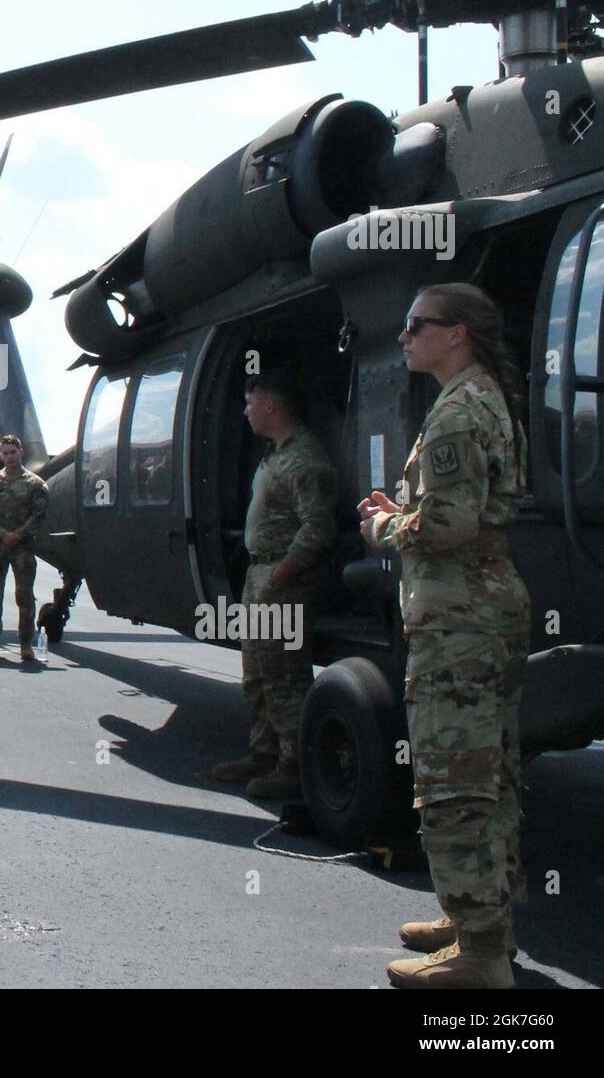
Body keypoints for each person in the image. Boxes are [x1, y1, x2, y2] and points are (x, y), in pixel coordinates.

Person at [361, 284, 531, 991]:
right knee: (490, 774)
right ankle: (481, 923)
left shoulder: (458, 410)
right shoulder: (482, 397)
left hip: (458, 618)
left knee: (454, 782)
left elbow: (447, 528)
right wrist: (414, 511)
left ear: (455, 332)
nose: (403, 337)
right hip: (484, 610)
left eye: (416, 326)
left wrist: (385, 525)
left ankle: (482, 956)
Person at [210, 369, 338, 798]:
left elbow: (318, 529)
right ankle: (263, 751)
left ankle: (294, 764)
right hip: (260, 573)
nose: (245, 412)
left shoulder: (305, 459)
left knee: (284, 675)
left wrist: (280, 578)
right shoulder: (276, 454)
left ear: (269, 405)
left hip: (283, 578)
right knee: (258, 673)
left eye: (250, 403)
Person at [0, 435, 48, 662]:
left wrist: (17, 535)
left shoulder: (35, 484)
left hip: (23, 548)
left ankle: (26, 644)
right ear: (0, 455)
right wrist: (2, 534)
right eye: (5, 453)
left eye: (12, 452)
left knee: (24, 596)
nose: (9, 457)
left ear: (21, 452)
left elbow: (39, 516)